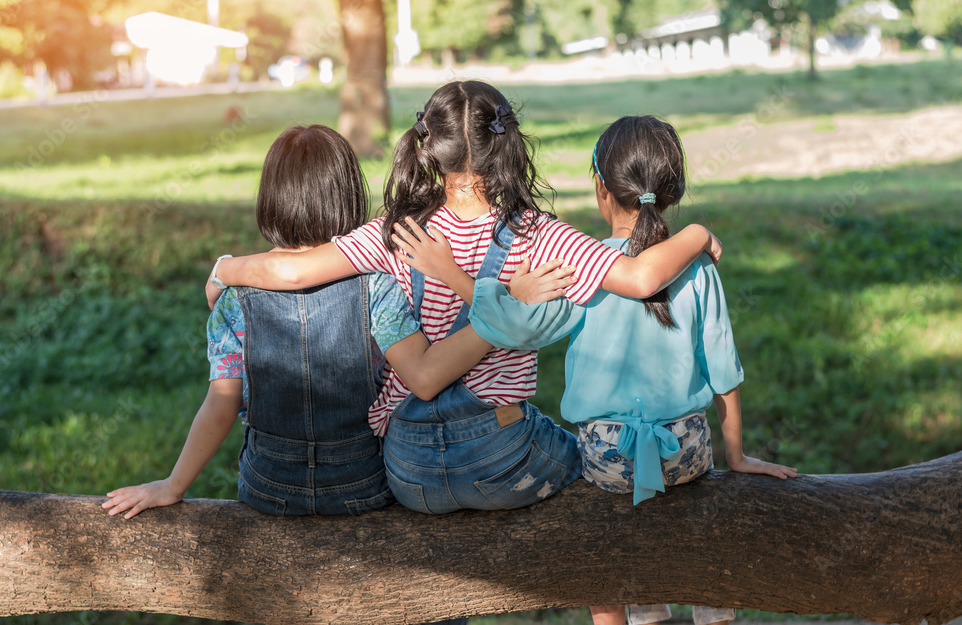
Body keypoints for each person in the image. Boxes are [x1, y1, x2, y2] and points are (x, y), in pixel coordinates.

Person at [204, 82, 721, 514]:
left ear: (429, 147)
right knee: (581, 455)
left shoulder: (394, 232)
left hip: (408, 470)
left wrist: (225, 269)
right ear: (508, 145)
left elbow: (292, 270)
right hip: (500, 458)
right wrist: (696, 233)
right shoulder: (541, 235)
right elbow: (639, 279)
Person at [398, 115, 798, 625]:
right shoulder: (698, 267)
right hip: (688, 450)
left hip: (608, 456)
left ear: (600, 189)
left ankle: (644, 614)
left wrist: (458, 277)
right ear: (670, 190)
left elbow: (517, 327)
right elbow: (724, 370)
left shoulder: (585, 266)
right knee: (693, 520)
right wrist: (737, 457)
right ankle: (713, 612)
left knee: (607, 510)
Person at [101, 125, 494, 521]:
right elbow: (422, 378)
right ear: (347, 195)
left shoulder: (234, 297)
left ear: (270, 199)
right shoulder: (377, 285)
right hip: (362, 483)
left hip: (269, 485)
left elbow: (221, 404)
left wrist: (172, 486)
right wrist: (501, 321)